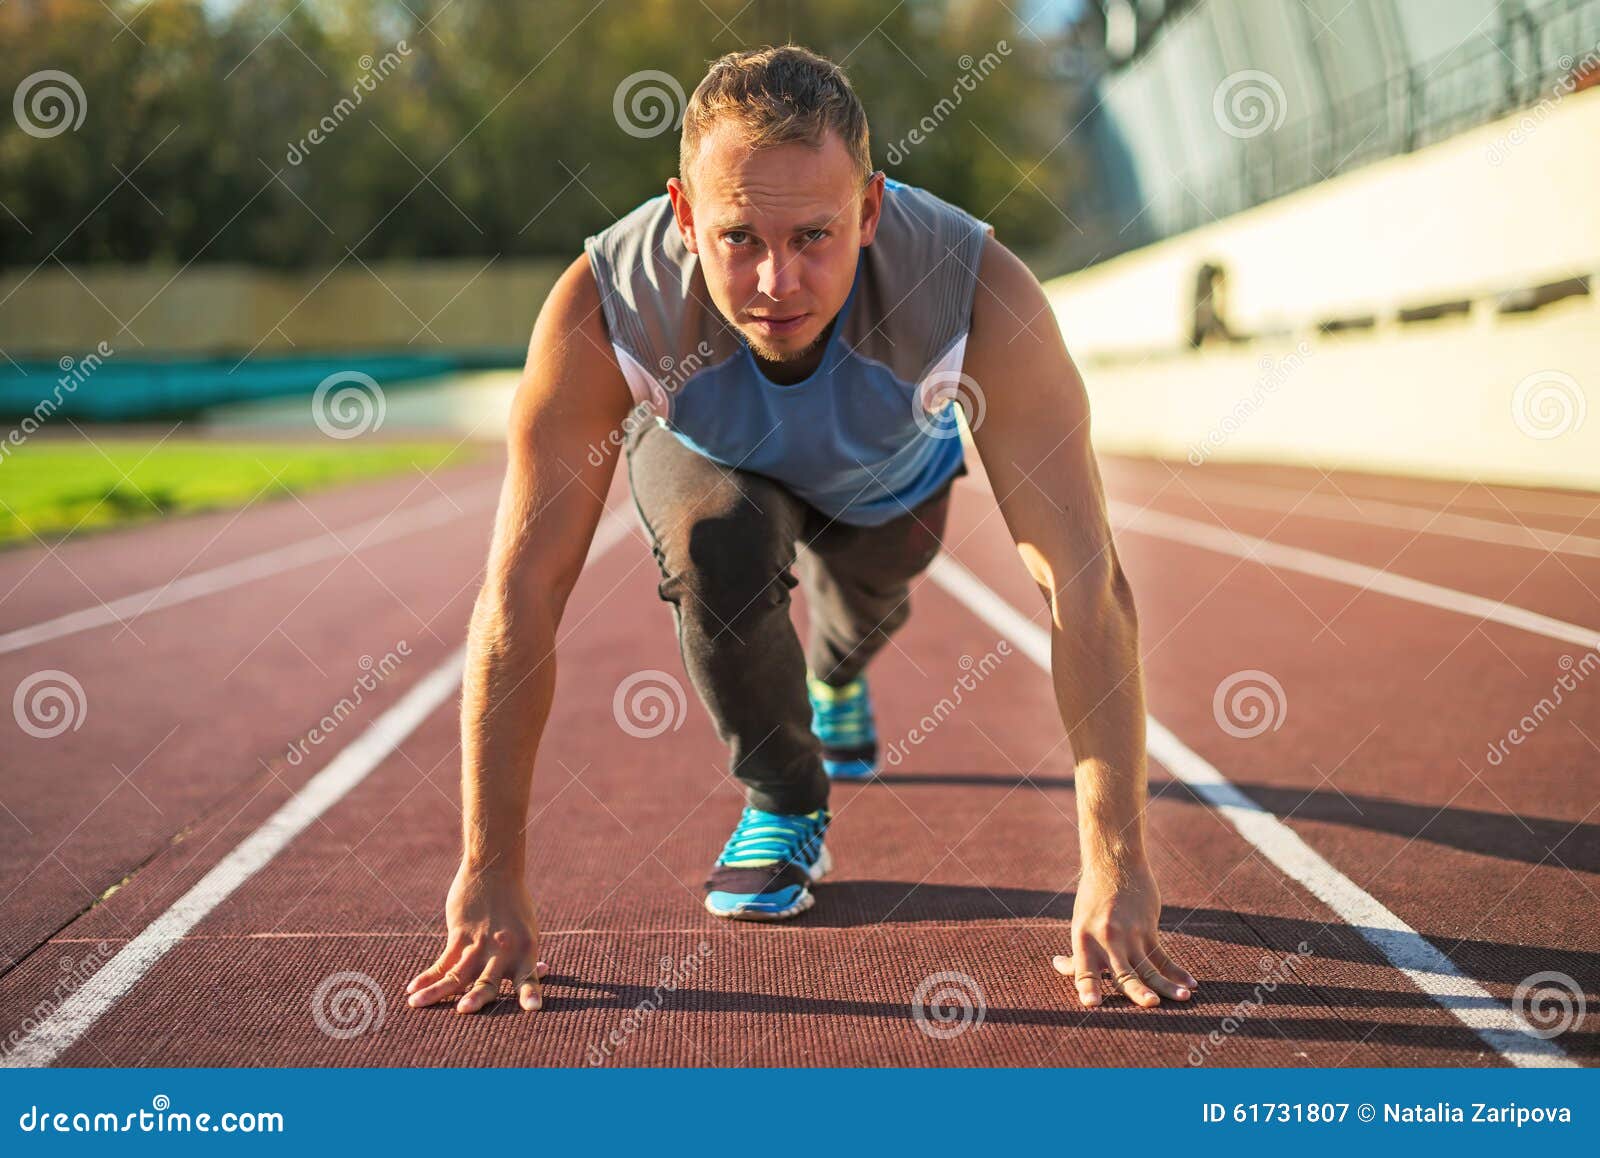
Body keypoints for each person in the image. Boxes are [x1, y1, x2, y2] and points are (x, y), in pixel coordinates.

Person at [406, 44, 1195, 1018]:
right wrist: (487, 871)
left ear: (869, 211)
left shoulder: (973, 286)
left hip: (886, 489)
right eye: (738, 237)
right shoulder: (607, 302)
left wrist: (1115, 861)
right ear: (684, 215)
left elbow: (1083, 578)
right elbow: (520, 592)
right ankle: (785, 797)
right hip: (711, 453)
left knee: (857, 623)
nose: (777, 281)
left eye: (814, 235)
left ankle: (836, 676)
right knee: (716, 545)